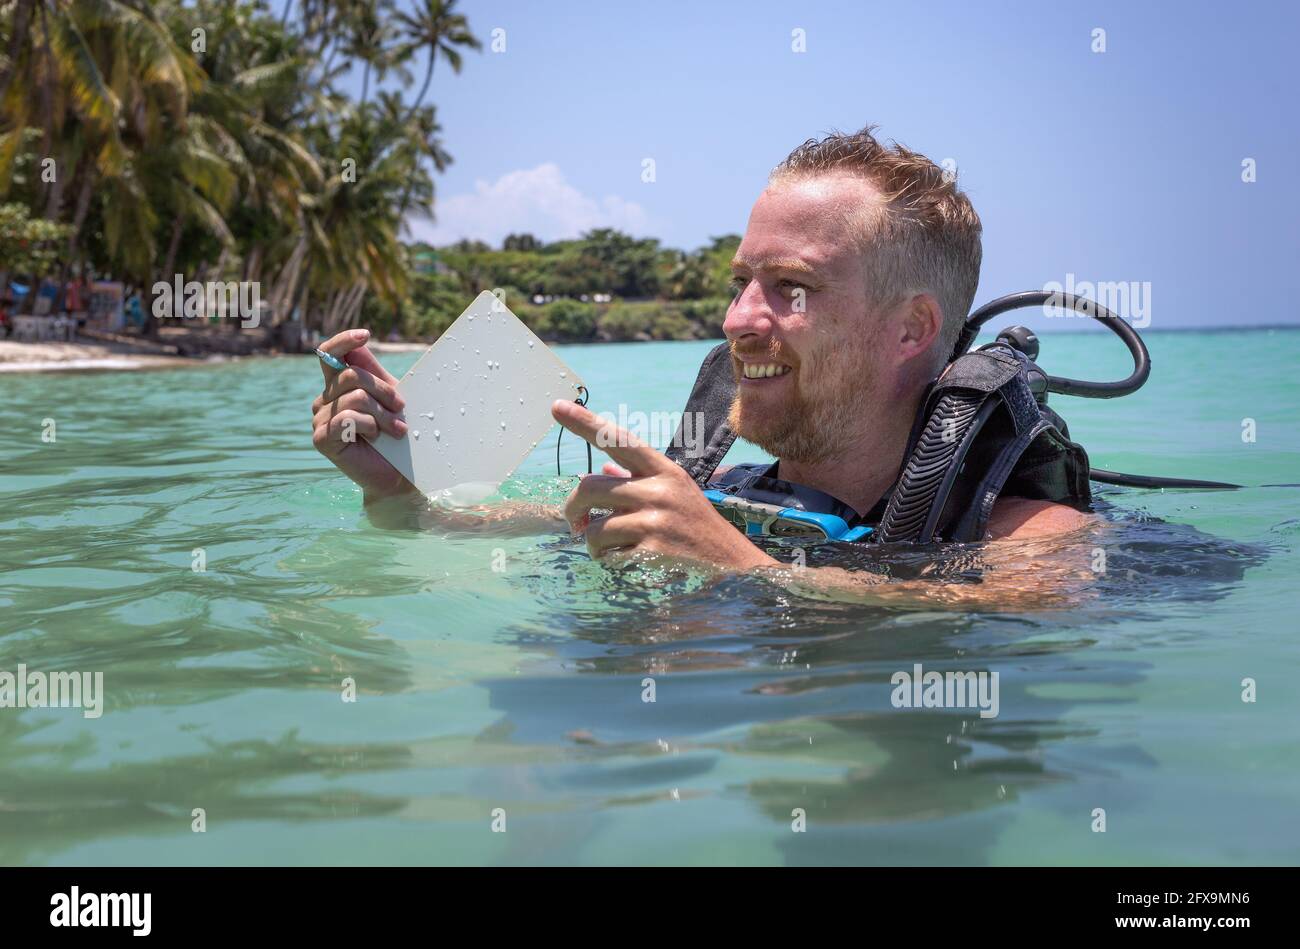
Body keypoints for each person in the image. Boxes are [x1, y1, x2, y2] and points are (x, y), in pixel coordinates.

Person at [311, 126, 1096, 606]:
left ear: (910, 329)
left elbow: (1033, 610)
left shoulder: (1032, 540)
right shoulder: (715, 502)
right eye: (741, 283)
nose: (737, 320)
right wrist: (395, 488)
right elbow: (440, 529)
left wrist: (744, 570)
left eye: (791, 287)